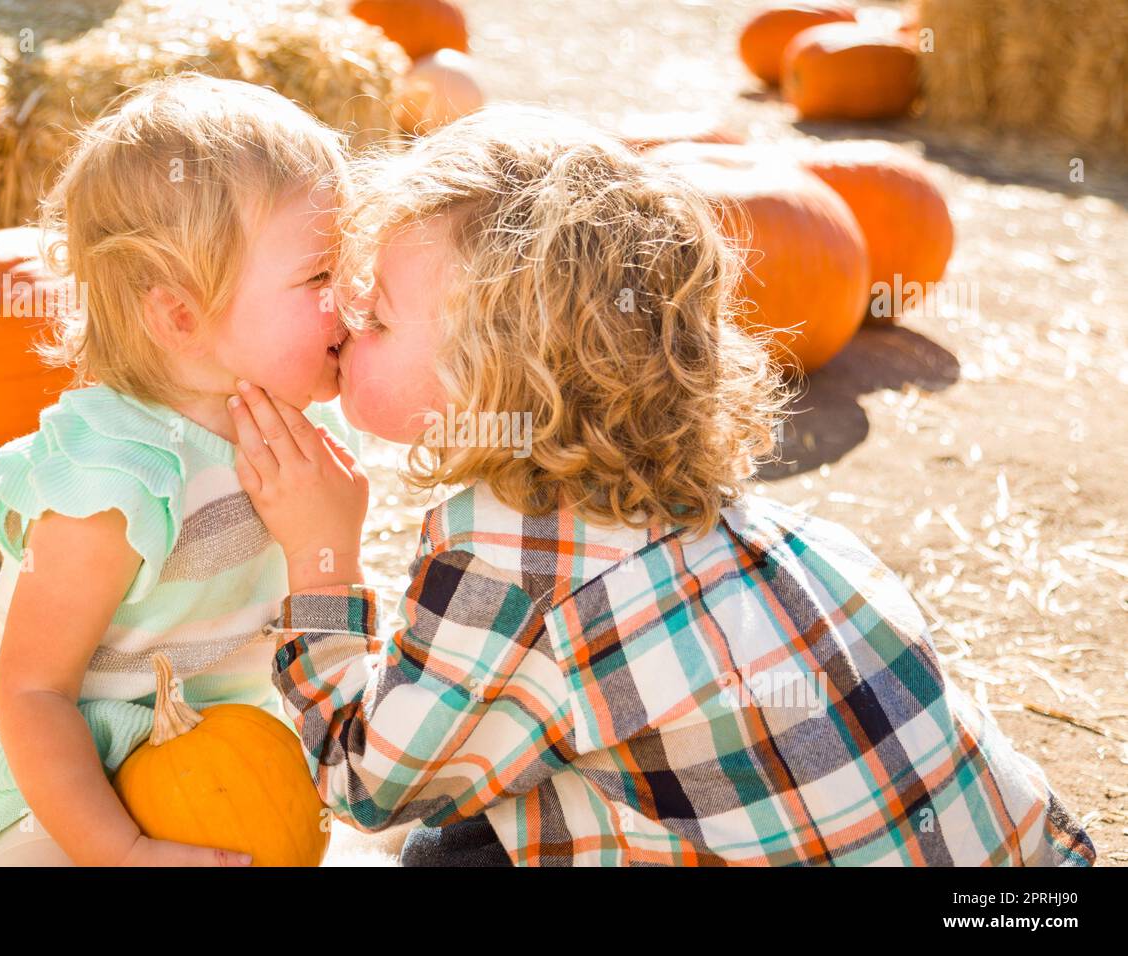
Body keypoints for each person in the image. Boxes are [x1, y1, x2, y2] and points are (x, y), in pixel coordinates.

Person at [228, 104, 1096, 866]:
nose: (345, 323)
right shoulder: (718, 509)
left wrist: (321, 562)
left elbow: (365, 783)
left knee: (445, 847)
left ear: (500, 380)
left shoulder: (508, 556)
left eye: (375, 317)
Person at [0, 73, 358, 867]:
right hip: (63, 794)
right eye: (318, 279)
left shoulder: (308, 437)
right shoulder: (115, 483)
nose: (353, 297)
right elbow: (32, 694)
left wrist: (329, 550)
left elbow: (317, 645)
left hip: (224, 763)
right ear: (180, 316)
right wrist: (122, 851)